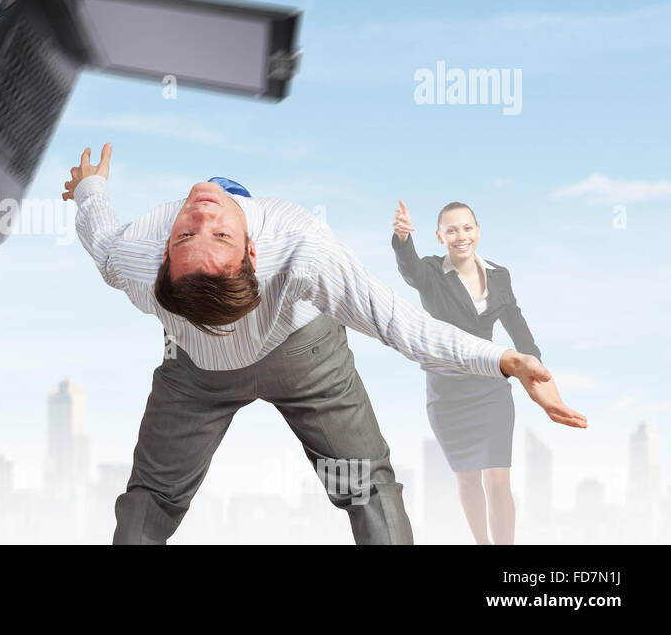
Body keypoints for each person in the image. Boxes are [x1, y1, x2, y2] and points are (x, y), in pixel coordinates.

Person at [61, 143, 586, 545]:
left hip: (236, 361)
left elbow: (98, 232)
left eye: (207, 235)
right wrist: (501, 359)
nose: (201, 215)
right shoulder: (299, 244)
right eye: (196, 237)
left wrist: (90, 188)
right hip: (268, 362)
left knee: (153, 495)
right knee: (367, 487)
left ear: (252, 253)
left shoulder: (133, 254)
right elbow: (398, 323)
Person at [391, 199, 538, 544]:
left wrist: (535, 365)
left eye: (467, 228)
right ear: (440, 236)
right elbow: (409, 267)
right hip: (448, 392)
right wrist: (401, 238)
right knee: (468, 480)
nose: (461, 236)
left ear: (478, 231)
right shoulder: (430, 272)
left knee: (498, 480)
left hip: (490, 386)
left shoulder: (499, 275)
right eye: (452, 230)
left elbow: (516, 323)